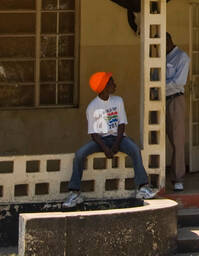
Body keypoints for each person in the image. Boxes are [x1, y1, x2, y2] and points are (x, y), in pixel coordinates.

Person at [63, 72, 157, 208]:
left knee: (135, 150)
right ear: (104, 87)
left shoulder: (118, 101)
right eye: (111, 82)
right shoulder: (92, 107)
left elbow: (121, 124)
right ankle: (74, 192)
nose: (115, 85)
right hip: (100, 141)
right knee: (79, 154)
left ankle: (142, 187)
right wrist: (106, 148)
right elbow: (94, 134)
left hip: (118, 138)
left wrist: (116, 144)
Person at [164, 32, 192, 192]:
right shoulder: (161, 56)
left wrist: (159, 84)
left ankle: (178, 177)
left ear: (169, 40)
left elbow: (179, 82)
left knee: (177, 139)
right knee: (156, 138)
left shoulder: (182, 57)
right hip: (159, 100)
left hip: (175, 99)